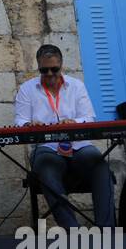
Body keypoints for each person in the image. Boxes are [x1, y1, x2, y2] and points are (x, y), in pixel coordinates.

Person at [13, 44, 115, 228]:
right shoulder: (27, 89)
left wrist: (74, 123)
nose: (50, 74)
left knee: (100, 165)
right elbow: (20, 121)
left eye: (54, 69)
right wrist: (30, 125)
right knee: (45, 168)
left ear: (62, 65)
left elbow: (89, 118)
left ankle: (106, 230)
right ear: (38, 67)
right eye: (44, 70)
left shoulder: (76, 86)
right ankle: (73, 231)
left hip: (79, 146)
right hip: (47, 148)